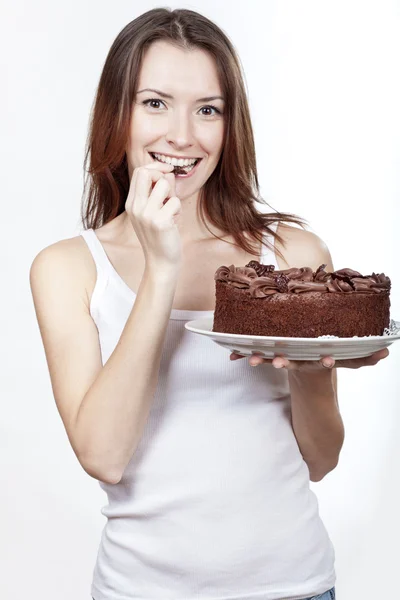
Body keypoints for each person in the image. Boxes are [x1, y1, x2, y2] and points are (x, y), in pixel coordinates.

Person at [29, 8, 389, 600]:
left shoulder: (292, 255)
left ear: (231, 123)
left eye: (208, 109)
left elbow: (321, 461)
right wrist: (161, 268)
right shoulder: (68, 267)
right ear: (116, 113)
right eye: (155, 103)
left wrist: (308, 372)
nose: (183, 135)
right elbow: (104, 456)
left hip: (295, 586)